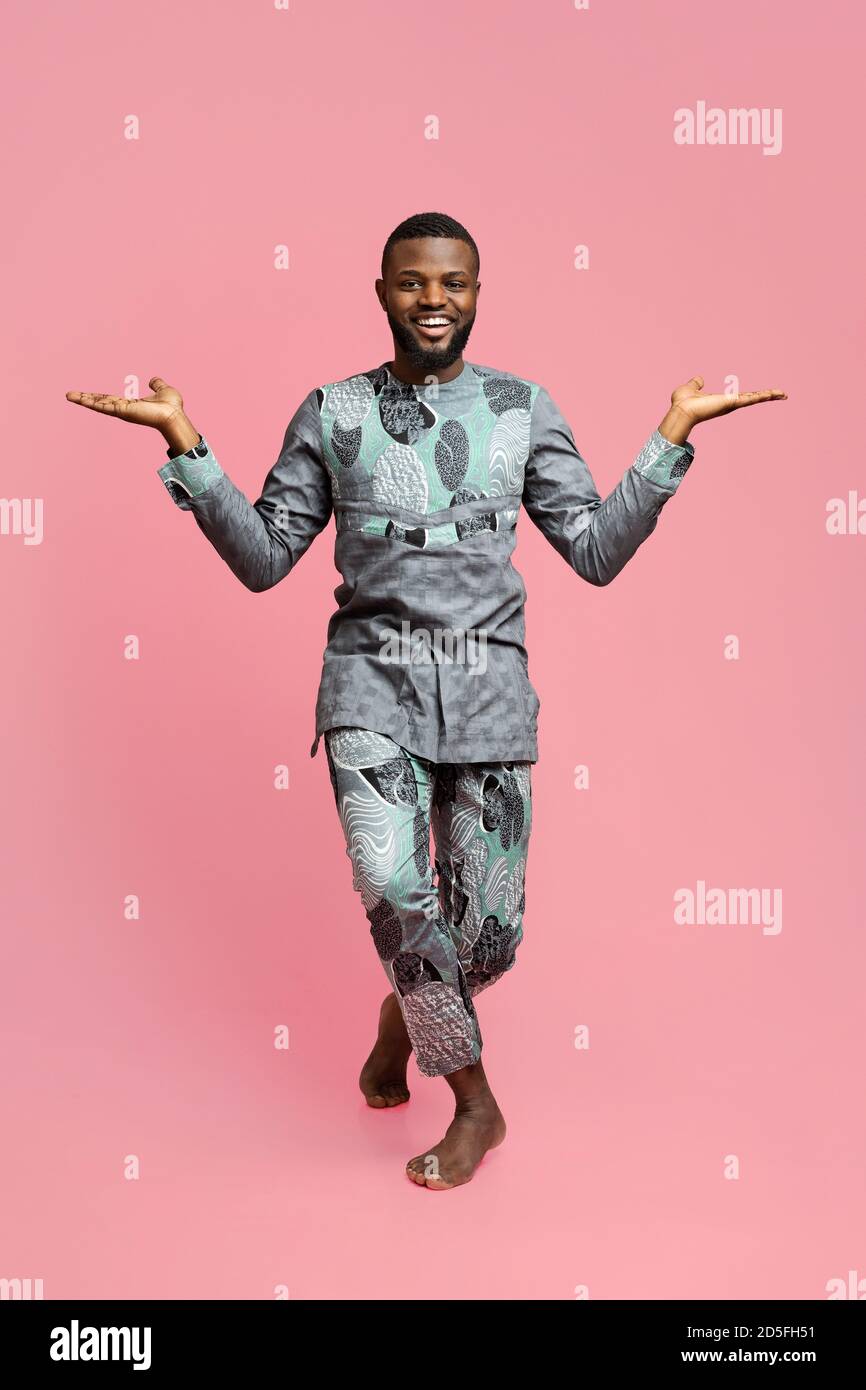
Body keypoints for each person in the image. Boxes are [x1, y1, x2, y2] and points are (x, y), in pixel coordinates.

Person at [66, 211, 787, 1190]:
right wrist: (187, 445)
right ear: (381, 293)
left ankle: (399, 1019)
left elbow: (593, 550)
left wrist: (668, 438)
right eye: (412, 282)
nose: (432, 298)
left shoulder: (523, 410)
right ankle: (477, 1105)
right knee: (394, 890)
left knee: (482, 934)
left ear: (478, 293)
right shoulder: (330, 412)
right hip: (369, 682)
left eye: (452, 282)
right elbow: (263, 558)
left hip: (487, 690)